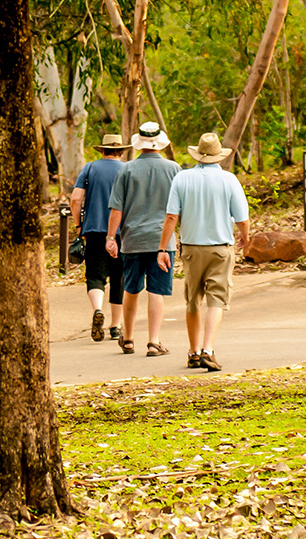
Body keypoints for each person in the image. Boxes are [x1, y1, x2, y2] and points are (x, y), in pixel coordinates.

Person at [157, 132, 249, 372]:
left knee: (193, 299)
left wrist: (162, 248)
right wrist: (245, 238)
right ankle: (208, 350)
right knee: (216, 299)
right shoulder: (229, 180)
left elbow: (171, 216)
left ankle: (193, 351)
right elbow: (242, 218)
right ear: (219, 156)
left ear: (198, 155)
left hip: (191, 248)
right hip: (220, 249)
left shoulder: (182, 178)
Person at [105, 122, 181, 357]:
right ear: (159, 142)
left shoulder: (126, 170)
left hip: (133, 240)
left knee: (131, 288)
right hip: (163, 242)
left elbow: (116, 209)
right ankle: (153, 341)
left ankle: (127, 339)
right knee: (156, 291)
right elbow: (179, 209)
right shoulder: (174, 169)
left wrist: (110, 237)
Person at [71, 134, 130, 342]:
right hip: (122, 231)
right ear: (120, 151)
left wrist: (79, 225)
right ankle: (116, 326)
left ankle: (97, 310)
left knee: (95, 274)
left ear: (102, 150)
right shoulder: (127, 169)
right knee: (119, 276)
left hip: (94, 230)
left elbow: (75, 199)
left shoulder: (90, 168)